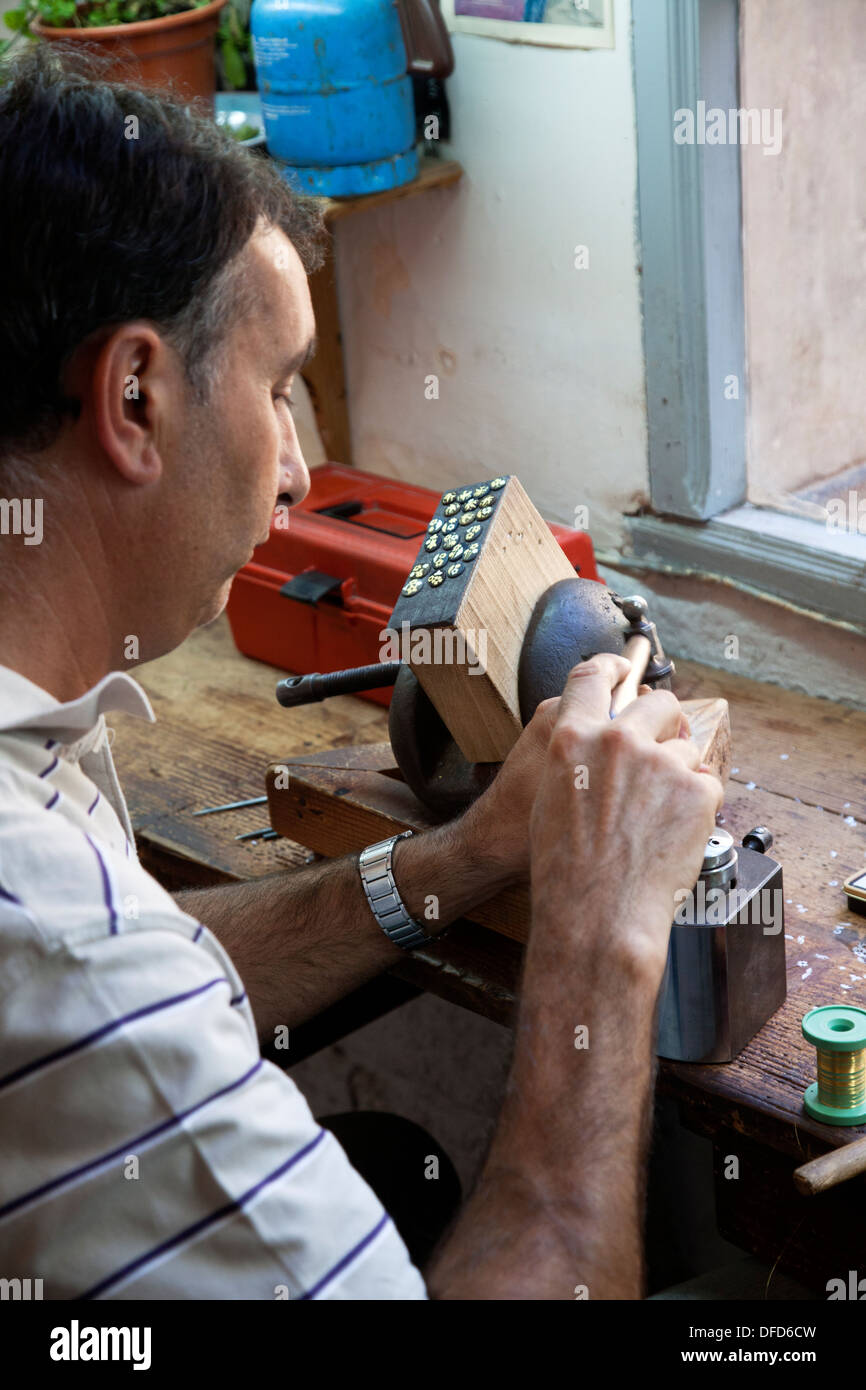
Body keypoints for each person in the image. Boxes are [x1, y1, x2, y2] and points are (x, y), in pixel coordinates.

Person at [0, 48, 722, 1300]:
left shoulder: (44, 741)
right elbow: (108, 974)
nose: (294, 470)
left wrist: (464, 857)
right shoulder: (57, 933)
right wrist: (599, 930)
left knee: (385, 1157)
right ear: (132, 395)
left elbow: (166, 964)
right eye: (280, 390)